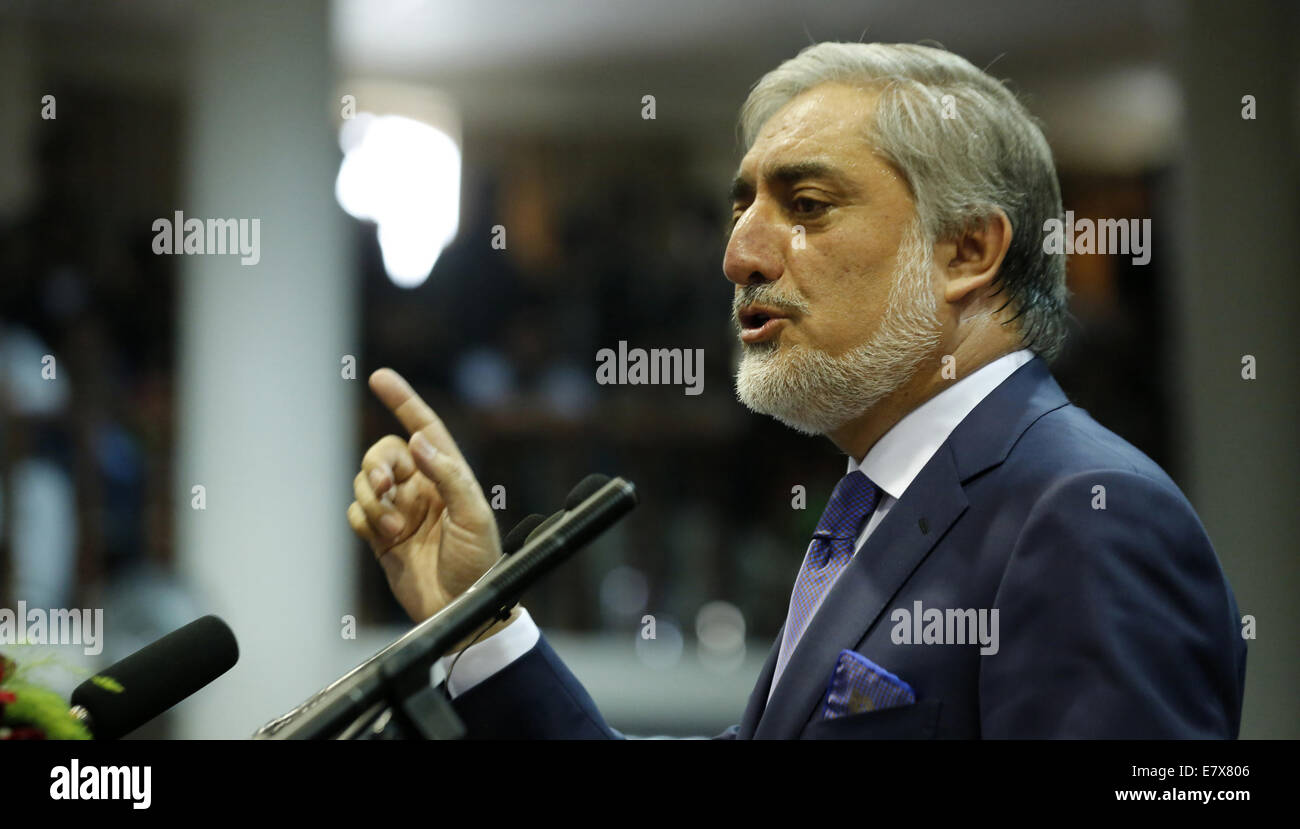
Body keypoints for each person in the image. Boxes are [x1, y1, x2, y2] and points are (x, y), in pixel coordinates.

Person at [346, 42, 1246, 739]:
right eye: (742, 207)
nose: (739, 254)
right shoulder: (880, 504)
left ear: (968, 251)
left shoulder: (1088, 512)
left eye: (806, 205)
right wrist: (479, 618)